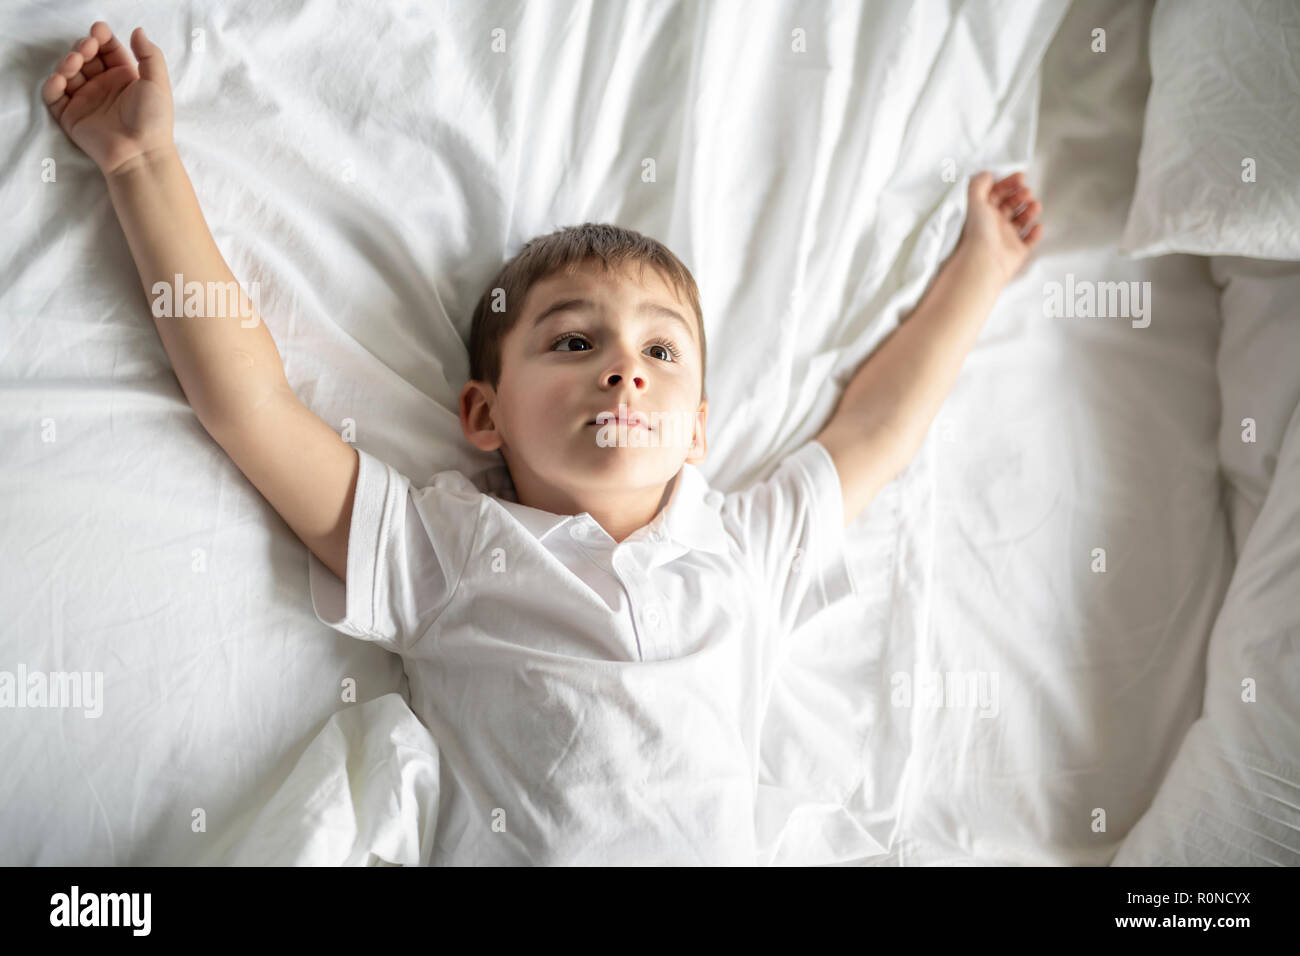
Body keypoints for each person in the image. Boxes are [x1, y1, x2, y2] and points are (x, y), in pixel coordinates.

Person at [43, 21, 1043, 865]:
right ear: (484, 415)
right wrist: (142, 164)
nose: (624, 369)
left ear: (697, 429)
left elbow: (876, 430)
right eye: (574, 342)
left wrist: (980, 271)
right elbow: (254, 406)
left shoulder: (744, 546)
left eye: (661, 350)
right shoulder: (449, 550)